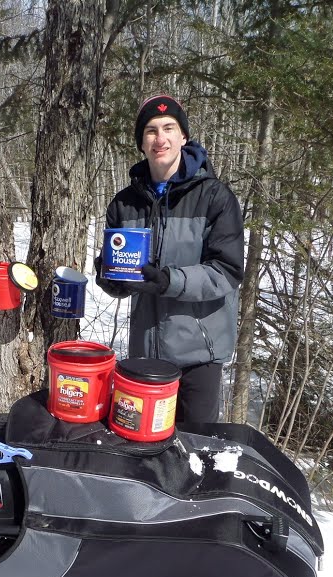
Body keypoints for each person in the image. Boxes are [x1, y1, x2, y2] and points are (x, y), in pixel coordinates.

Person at [95, 93, 244, 426]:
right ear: (141, 143)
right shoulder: (125, 203)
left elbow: (227, 272)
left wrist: (169, 280)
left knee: (195, 452)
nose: (160, 138)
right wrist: (109, 274)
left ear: (183, 137)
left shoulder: (214, 197)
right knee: (143, 447)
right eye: (150, 130)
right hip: (145, 353)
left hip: (198, 356)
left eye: (169, 128)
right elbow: (121, 278)